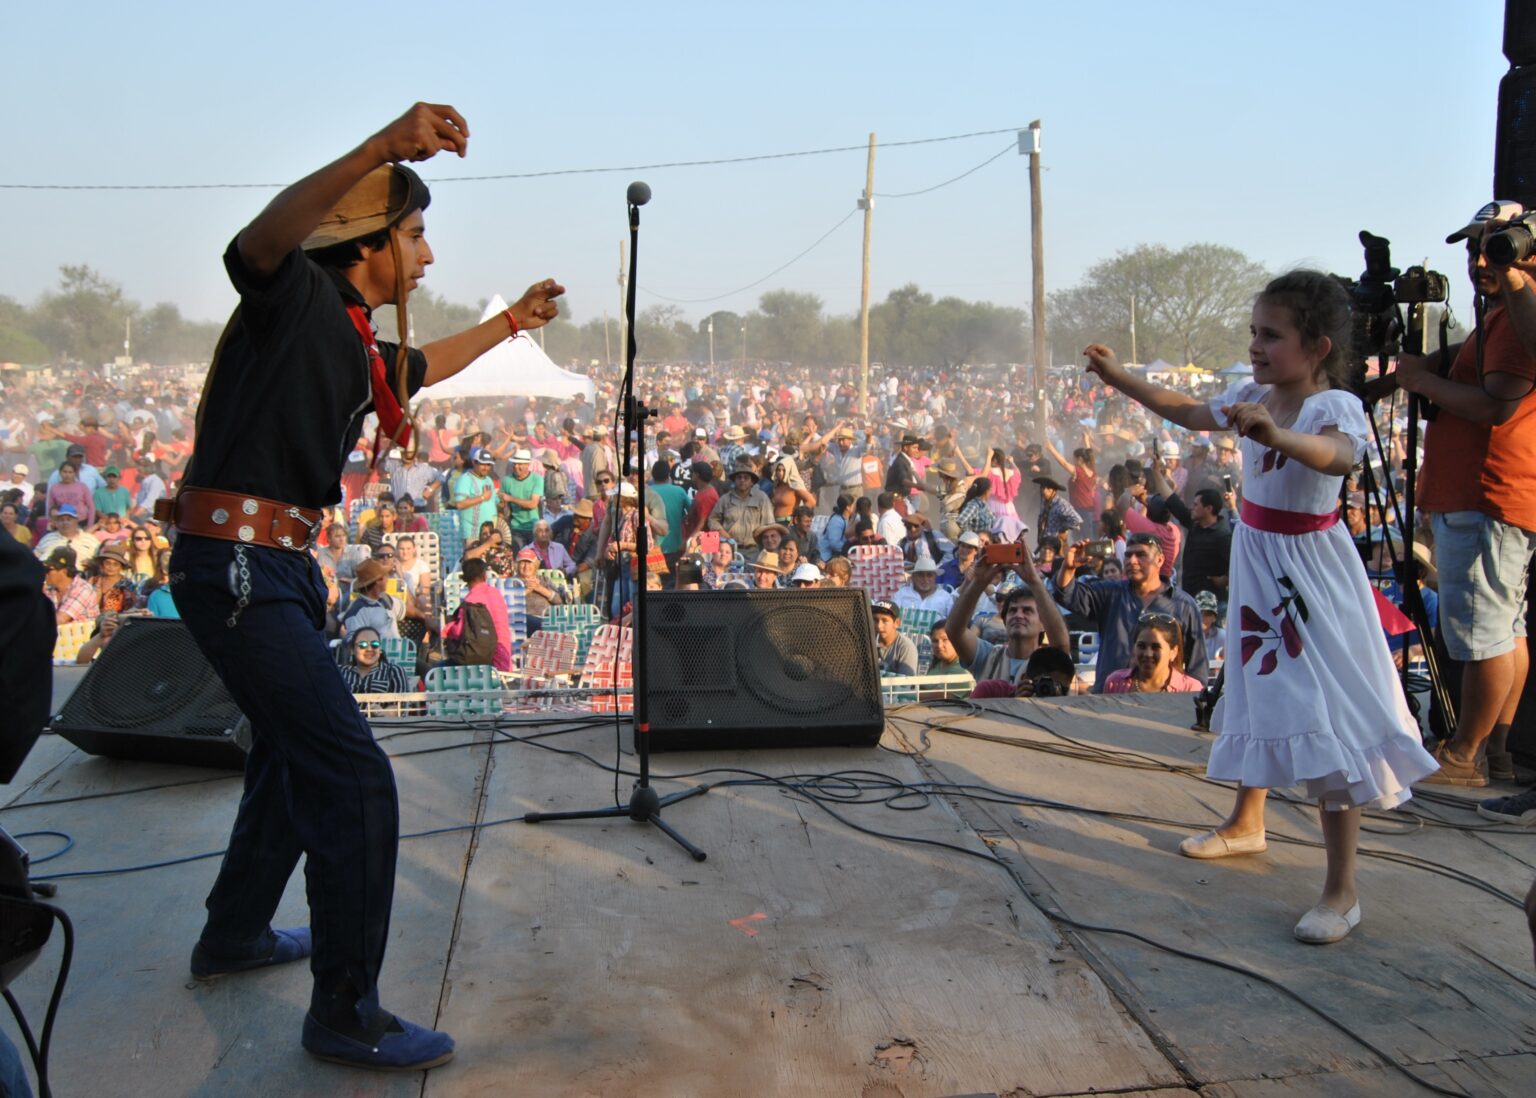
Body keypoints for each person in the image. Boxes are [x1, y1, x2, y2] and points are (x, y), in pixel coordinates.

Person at [165, 103, 563, 1070]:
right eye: (415, 234)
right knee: (351, 778)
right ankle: (344, 1010)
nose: (424, 257)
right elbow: (253, 243)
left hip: (275, 570)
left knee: (288, 758)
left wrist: (512, 322)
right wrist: (384, 147)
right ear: (364, 242)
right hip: (244, 569)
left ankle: (235, 935)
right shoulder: (295, 292)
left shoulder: (342, 335)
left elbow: (418, 367)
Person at [1082, 268, 1437, 944]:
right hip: (1260, 561)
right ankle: (1247, 821)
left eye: (1271, 336)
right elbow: (1184, 408)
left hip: (1309, 574)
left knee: (1320, 710)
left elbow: (1334, 459)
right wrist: (1119, 377)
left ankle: (1341, 889)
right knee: (1255, 688)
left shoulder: (1332, 407)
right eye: (1254, 333)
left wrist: (1276, 438)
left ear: (1318, 347)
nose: (1256, 346)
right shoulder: (1253, 395)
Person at [1381, 203, 1536, 789]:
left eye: (1493, 247)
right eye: (1472, 248)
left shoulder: (1522, 315)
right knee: (1506, 631)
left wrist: (1421, 382)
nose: (1477, 261)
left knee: (1484, 636)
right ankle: (1491, 752)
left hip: (1487, 493)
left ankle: (1462, 756)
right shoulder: (1504, 317)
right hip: (1490, 495)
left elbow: (1497, 406)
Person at [1053, 532, 1207, 693]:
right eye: (1128, 555)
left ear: (1160, 560)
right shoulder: (1110, 593)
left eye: (1140, 555)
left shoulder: (1184, 605)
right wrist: (1069, 568)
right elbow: (1067, 595)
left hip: (1165, 705)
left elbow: (1197, 667)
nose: (1132, 561)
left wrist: (1191, 706)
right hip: (1110, 700)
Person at [946, 552, 1070, 689]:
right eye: (1012, 610)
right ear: (1005, 621)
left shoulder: (1050, 661)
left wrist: (1034, 581)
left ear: (1043, 624)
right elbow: (954, 631)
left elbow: (1061, 645)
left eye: (1027, 611)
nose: (1018, 615)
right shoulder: (987, 656)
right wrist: (978, 583)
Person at [1101, 616, 1205, 693]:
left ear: (1173, 652)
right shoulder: (1115, 683)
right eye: (1141, 646)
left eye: (1156, 647)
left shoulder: (1191, 689)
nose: (1148, 654)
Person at [445, 557, 512, 671]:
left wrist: (447, 629)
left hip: (484, 663)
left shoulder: (470, 602)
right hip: (504, 658)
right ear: (484, 576)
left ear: (465, 579)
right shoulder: (496, 593)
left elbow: (459, 631)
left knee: (437, 669)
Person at [339, 626, 413, 694]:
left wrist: (383, 709)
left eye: (375, 644)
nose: (369, 649)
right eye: (362, 645)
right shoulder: (340, 672)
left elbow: (402, 703)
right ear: (352, 650)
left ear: (380, 649)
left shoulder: (394, 671)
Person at [41, 546, 99, 624]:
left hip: (84, 635)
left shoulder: (83, 589)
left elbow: (60, 620)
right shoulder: (49, 590)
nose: (45, 573)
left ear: (64, 571)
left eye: (48, 570)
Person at [871, 599, 918, 676]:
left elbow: (905, 683)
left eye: (885, 621)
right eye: (875, 620)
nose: (879, 626)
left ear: (897, 623)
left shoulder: (906, 647)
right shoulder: (867, 642)